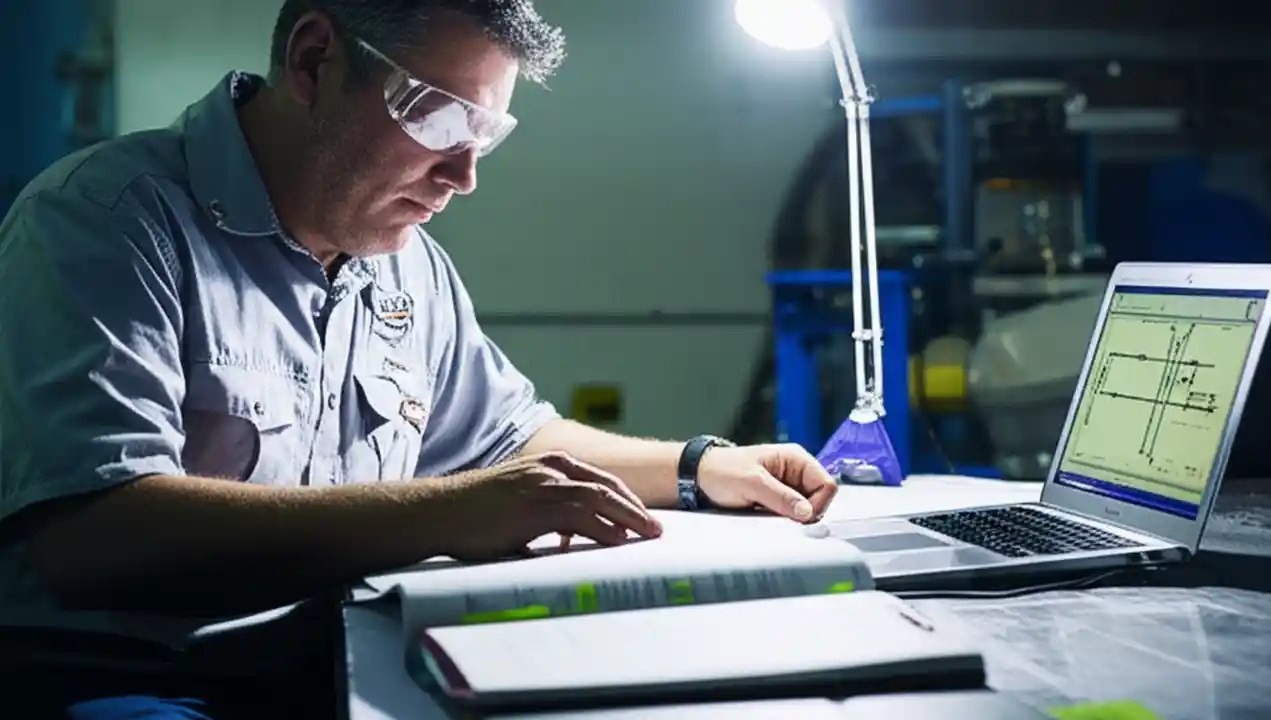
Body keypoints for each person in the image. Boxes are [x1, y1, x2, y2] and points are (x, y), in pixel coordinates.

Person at [0, 0, 839, 717]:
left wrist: (703, 466)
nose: (465, 174)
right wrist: (448, 512)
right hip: (129, 679)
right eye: (439, 116)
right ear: (315, 59)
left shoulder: (403, 264)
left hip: (327, 660)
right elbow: (94, 534)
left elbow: (510, 444)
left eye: (487, 132)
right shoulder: (103, 221)